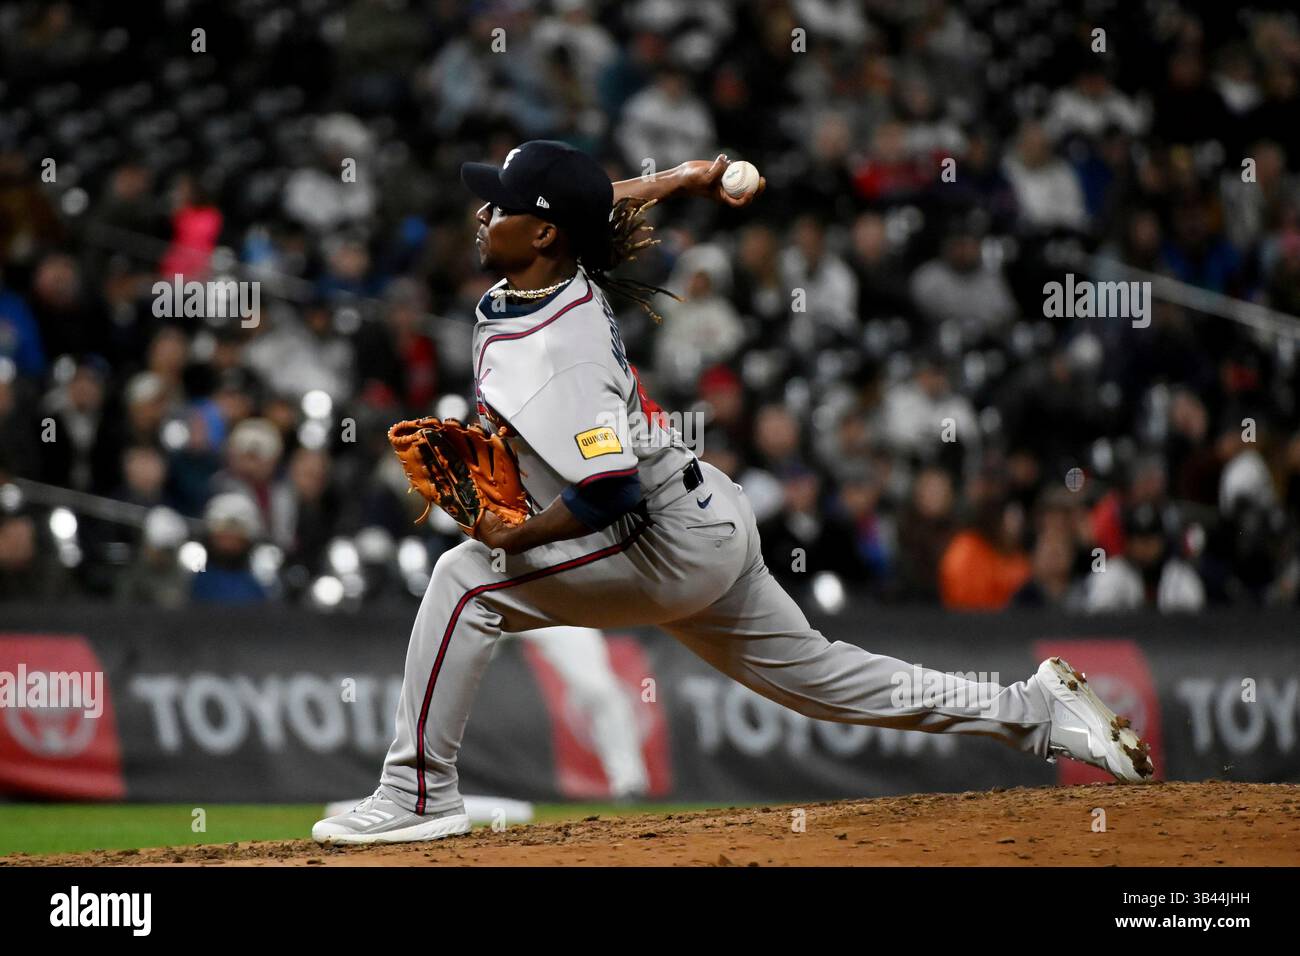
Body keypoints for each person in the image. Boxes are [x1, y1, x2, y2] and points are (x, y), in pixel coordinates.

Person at [313, 141, 1153, 845]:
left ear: (542, 233)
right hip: (703, 512)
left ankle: (418, 794)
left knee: (465, 581)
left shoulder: (552, 349)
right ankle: (1035, 712)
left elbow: (606, 490)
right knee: (824, 678)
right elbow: (598, 206)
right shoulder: (550, 271)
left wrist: (516, 538)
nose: (483, 215)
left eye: (500, 207)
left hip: (653, 536)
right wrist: (680, 179)